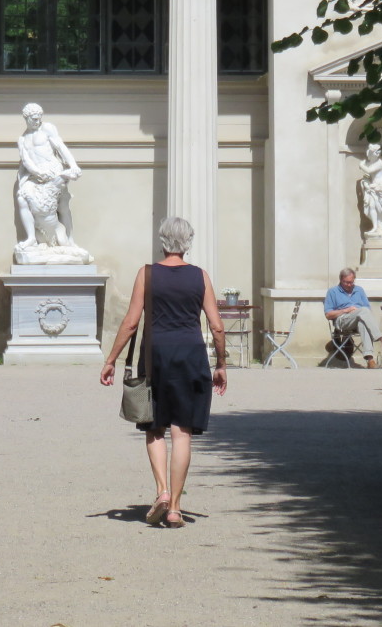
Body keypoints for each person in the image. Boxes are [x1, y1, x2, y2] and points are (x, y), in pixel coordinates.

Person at [100, 217, 228, 529]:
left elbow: (131, 322)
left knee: (154, 427)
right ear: (189, 242)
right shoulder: (200, 276)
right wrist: (222, 364)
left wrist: (111, 359)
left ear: (162, 240)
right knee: (182, 431)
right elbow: (217, 325)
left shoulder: (147, 274)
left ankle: (162, 491)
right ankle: (175, 508)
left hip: (154, 357)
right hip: (190, 357)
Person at [15, 102, 83, 255]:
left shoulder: (47, 128)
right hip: (35, 175)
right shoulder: (22, 139)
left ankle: (70, 239)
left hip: (53, 171)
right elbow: (26, 161)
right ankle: (31, 237)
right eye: (34, 119)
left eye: (39, 118)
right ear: (26, 118)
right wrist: (38, 172)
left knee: (63, 205)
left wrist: (73, 165)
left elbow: (60, 147)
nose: (37, 121)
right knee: (21, 198)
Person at [324, 268, 382, 368]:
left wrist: (357, 312)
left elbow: (367, 309)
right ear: (341, 280)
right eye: (346, 282)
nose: (349, 285)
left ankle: (370, 360)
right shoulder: (333, 292)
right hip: (342, 320)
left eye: (351, 282)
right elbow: (328, 315)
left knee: (363, 322)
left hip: (358, 318)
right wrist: (346, 310)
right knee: (363, 311)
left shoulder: (359, 290)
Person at [357, 144, 382, 236]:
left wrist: (361, 165)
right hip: (374, 188)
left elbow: (369, 171)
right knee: (372, 206)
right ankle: (375, 227)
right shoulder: (371, 163)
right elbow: (368, 176)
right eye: (375, 152)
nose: (377, 153)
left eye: (378, 151)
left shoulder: (380, 163)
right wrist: (365, 183)